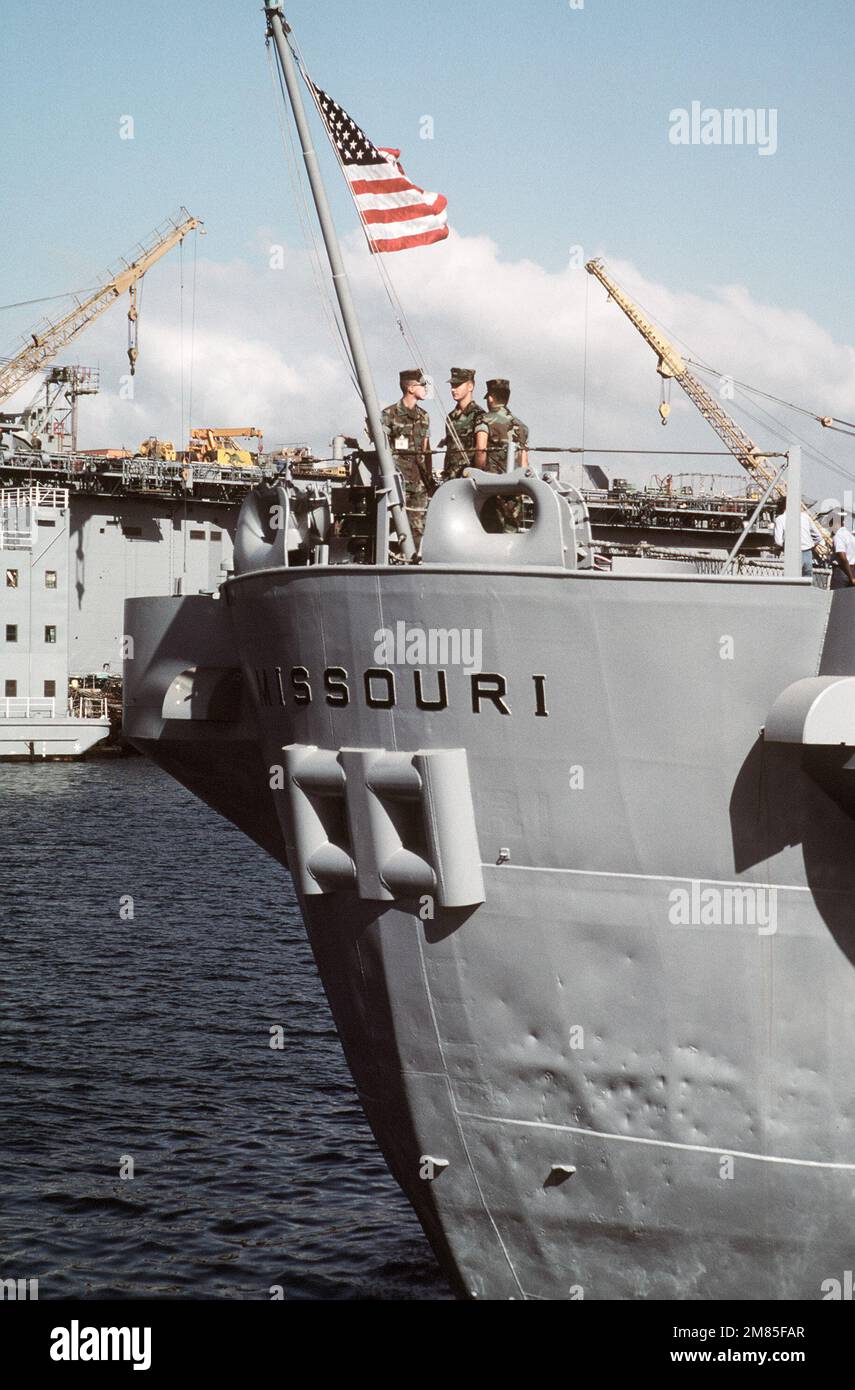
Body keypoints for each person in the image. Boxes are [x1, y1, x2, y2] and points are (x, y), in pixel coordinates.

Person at [381, 369, 434, 548]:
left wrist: (429, 480)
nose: (426, 389)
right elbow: (382, 449)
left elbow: (427, 451)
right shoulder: (389, 415)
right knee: (394, 527)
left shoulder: (424, 416)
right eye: (422, 385)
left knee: (419, 529)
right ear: (411, 388)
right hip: (398, 482)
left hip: (419, 483)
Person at [473, 378, 529, 533]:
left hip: (491, 488)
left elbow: (480, 451)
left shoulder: (484, 420)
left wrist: (477, 476)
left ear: (490, 398)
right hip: (514, 490)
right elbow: (524, 463)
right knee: (511, 534)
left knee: (489, 533)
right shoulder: (521, 427)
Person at [441, 368, 483, 479]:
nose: (453, 390)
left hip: (468, 478)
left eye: (457, 385)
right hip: (450, 478)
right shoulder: (450, 417)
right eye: (452, 386)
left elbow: (481, 451)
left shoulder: (479, 415)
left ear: (470, 386)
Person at [772, 495, 821, 577]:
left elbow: (778, 542)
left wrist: (780, 548)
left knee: (792, 581)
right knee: (807, 581)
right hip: (808, 553)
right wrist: (811, 546)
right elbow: (818, 537)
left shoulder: (780, 519)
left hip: (792, 554)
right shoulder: (805, 517)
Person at [832, 513, 855, 589]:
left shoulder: (838, 536)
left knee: (838, 598)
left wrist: (851, 577)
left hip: (842, 571)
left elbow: (843, 558)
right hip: (852, 569)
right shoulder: (850, 536)